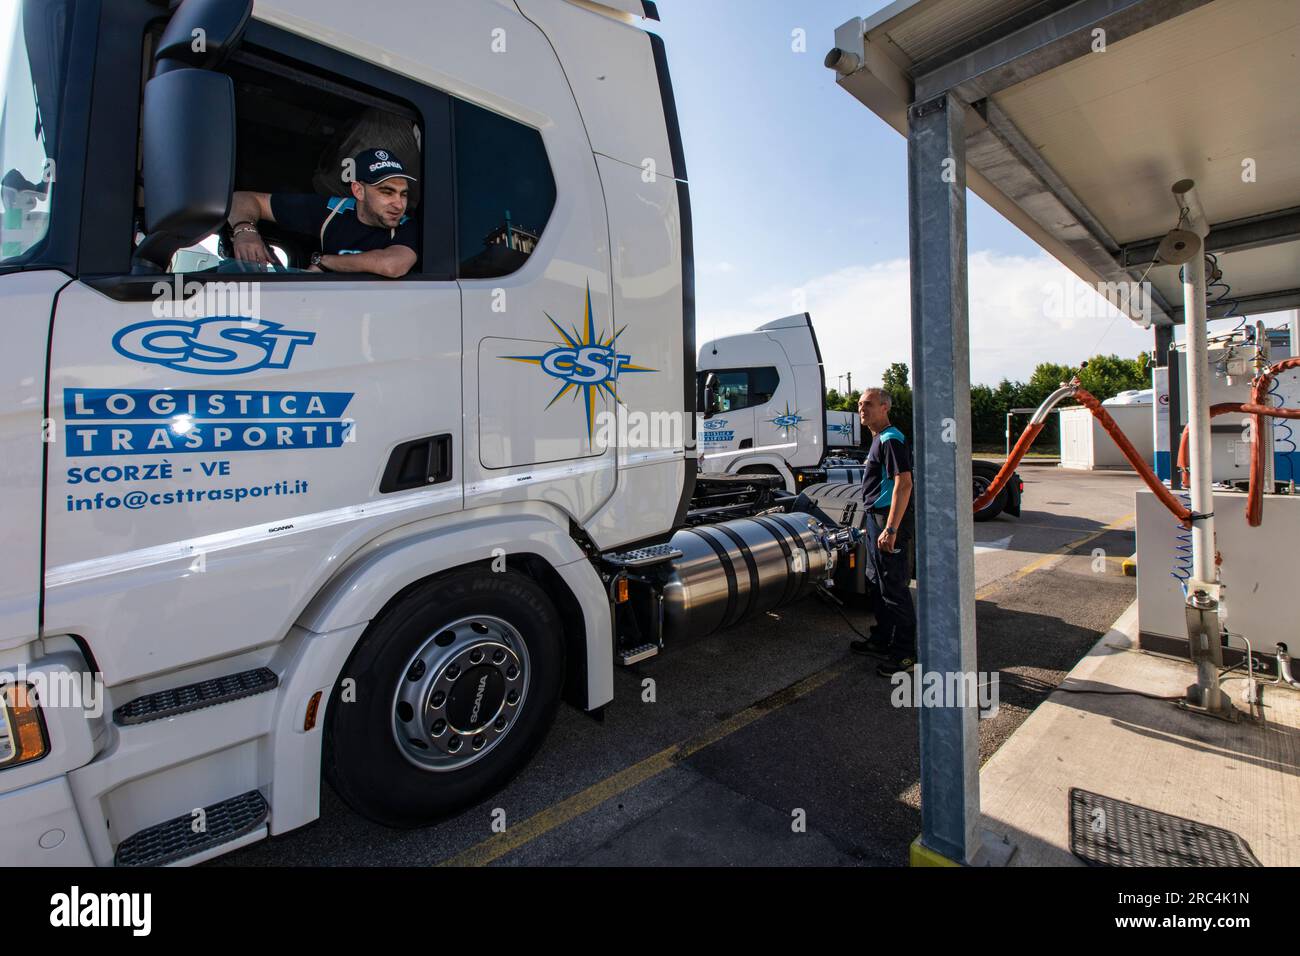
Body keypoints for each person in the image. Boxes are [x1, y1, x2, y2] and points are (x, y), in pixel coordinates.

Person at [226, 148, 418, 278]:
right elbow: (242, 198)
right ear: (359, 191)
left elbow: (393, 264)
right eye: (387, 192)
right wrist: (245, 230)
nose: (399, 204)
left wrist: (324, 262)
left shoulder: (407, 225)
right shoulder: (333, 211)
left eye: (403, 194)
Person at [850, 386, 917, 676]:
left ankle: (905, 656)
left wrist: (890, 528)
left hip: (888, 521)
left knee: (894, 589)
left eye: (868, 404)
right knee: (876, 583)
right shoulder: (879, 439)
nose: (861, 409)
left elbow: (904, 483)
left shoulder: (890, 439)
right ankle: (881, 639)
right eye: (860, 405)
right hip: (876, 519)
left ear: (884, 408)